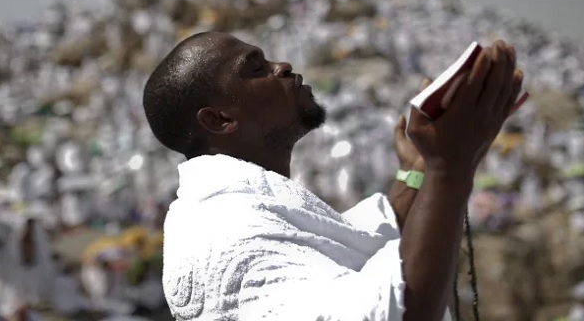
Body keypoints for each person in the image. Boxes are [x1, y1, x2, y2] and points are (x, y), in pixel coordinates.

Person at [143, 32, 523, 320]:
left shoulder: (241, 206)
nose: (283, 67)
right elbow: (394, 312)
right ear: (219, 119)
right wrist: (447, 168)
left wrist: (416, 173)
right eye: (257, 70)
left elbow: (352, 241)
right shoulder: (224, 233)